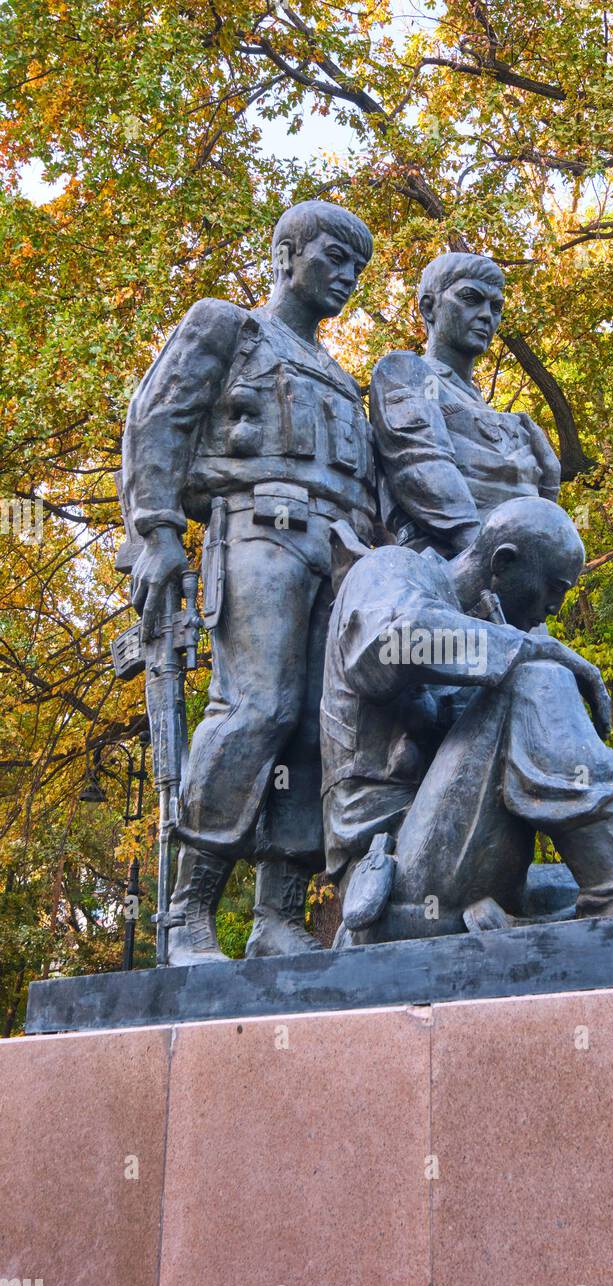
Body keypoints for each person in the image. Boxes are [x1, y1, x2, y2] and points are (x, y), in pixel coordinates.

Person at [320, 498, 613, 945]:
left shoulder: (499, 640)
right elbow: (382, 649)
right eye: (554, 588)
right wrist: (533, 650)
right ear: (503, 563)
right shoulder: (391, 570)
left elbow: (583, 772)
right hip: (400, 887)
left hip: (482, 882)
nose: (554, 608)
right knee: (536, 674)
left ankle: (556, 920)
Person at [124, 201, 376, 964]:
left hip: (343, 553)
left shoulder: (344, 379)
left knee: (320, 730)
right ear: (287, 255)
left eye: (358, 268)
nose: (347, 277)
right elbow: (157, 418)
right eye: (334, 257)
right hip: (260, 530)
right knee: (258, 708)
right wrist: (156, 531)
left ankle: (278, 915)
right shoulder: (228, 328)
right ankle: (188, 912)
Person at [370, 252, 560, 556]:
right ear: (429, 307)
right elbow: (420, 465)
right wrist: (481, 551)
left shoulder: (501, 416)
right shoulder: (405, 372)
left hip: (517, 564)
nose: (486, 315)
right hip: (446, 561)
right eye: (471, 298)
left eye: (496, 307)